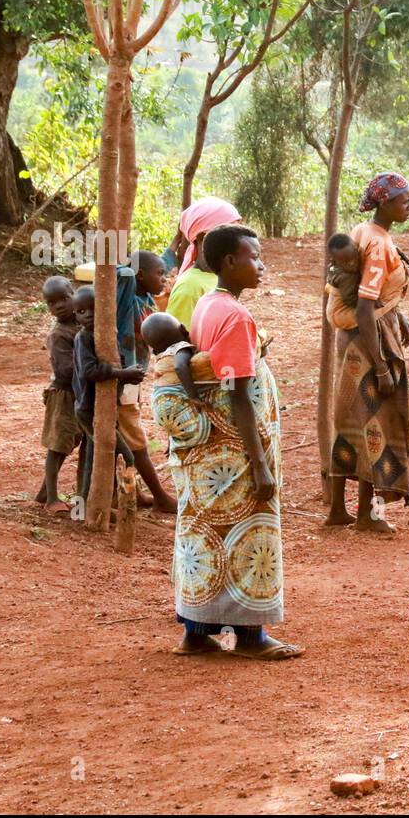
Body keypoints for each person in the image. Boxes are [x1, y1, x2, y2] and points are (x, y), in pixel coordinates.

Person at [151, 224, 301, 661]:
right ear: (230, 263)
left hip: (210, 451)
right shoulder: (235, 317)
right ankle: (251, 637)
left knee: (206, 530)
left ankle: (196, 632)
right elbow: (237, 393)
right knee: (248, 532)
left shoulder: (210, 305)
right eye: (254, 256)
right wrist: (259, 464)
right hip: (232, 448)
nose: (261, 264)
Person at [326, 172, 409, 534]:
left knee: (352, 420)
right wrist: (380, 366)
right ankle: (368, 514)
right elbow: (366, 306)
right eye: (404, 201)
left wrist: (399, 313)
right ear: (384, 202)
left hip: (354, 340)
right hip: (368, 342)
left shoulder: (365, 230)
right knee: (376, 423)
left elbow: (374, 292)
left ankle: (337, 509)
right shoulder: (377, 243)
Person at [115, 251, 176, 512]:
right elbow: (123, 272)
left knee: (126, 438)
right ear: (139, 276)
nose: (164, 278)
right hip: (122, 377)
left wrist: (174, 248)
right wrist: (126, 268)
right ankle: (159, 496)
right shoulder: (127, 295)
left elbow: (160, 263)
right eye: (160, 274)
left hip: (134, 379)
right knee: (135, 438)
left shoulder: (147, 297)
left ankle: (134, 490)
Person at [71, 285, 142, 501]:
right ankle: (116, 503)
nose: (89, 314)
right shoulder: (84, 338)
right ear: (76, 316)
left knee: (96, 457)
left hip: (104, 408)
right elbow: (89, 371)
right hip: (89, 409)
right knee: (124, 456)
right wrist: (122, 374)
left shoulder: (106, 334)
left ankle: (90, 503)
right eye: (82, 311)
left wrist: (126, 375)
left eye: (94, 308)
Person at [35, 276, 84, 514]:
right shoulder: (59, 335)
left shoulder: (82, 324)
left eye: (64, 298)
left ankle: (45, 490)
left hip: (77, 393)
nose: (60, 306)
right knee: (57, 445)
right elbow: (65, 370)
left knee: (69, 441)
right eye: (52, 303)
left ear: (73, 294)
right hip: (64, 394)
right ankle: (52, 498)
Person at [164, 198, 242, 329]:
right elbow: (178, 344)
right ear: (203, 237)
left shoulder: (219, 278)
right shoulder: (189, 287)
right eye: (232, 235)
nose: (239, 242)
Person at [141, 311, 217, 402]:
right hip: (175, 401)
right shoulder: (181, 347)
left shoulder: (160, 356)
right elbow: (180, 366)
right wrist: (193, 396)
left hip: (157, 400)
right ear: (183, 329)